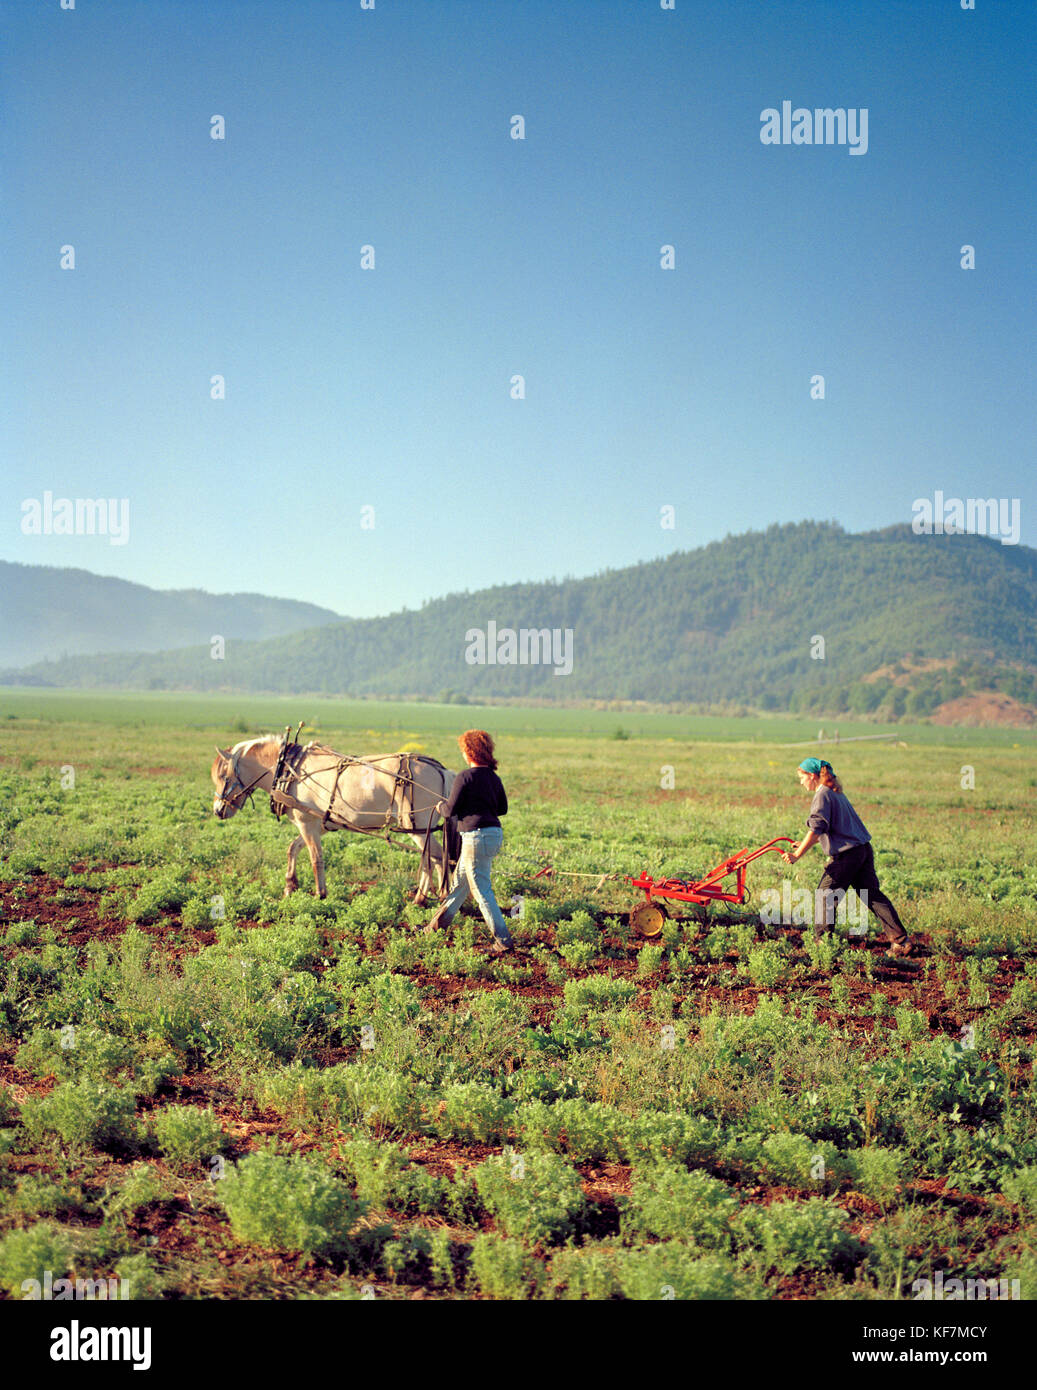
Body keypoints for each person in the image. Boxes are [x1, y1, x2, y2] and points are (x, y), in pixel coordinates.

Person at [781, 757, 913, 957]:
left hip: (848, 856)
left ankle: (823, 948)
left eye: (802, 778)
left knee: (824, 896)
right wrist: (805, 843)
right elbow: (833, 829)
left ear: (812, 776)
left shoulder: (822, 794)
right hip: (862, 850)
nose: (801, 782)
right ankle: (901, 942)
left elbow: (817, 828)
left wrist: (797, 855)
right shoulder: (835, 793)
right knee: (872, 895)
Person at [425, 730, 513, 954]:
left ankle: (503, 940)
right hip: (492, 834)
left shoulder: (464, 777)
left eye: (464, 750)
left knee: (481, 891)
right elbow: (502, 809)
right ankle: (434, 927)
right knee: (460, 883)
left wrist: (439, 807)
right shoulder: (494, 778)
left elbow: (449, 810)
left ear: (470, 752)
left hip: (475, 837)